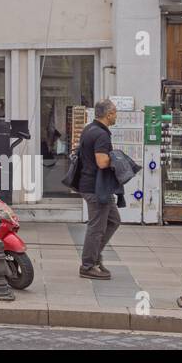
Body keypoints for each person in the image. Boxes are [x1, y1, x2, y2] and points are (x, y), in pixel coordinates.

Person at [78, 99, 119, 280]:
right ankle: (88, 265)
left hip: (96, 185)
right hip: (96, 187)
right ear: (108, 114)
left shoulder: (89, 129)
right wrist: (117, 159)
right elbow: (102, 162)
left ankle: (94, 256)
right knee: (96, 228)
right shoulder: (101, 135)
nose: (116, 116)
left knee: (113, 220)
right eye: (115, 112)